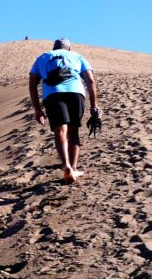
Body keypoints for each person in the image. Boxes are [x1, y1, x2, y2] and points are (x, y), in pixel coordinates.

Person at [29, 38, 100, 183]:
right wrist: (94, 105)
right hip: (75, 94)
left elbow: (32, 84)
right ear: (68, 48)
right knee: (73, 132)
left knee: (60, 131)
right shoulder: (77, 56)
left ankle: (66, 165)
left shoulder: (42, 57)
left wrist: (37, 109)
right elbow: (90, 81)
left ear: (54, 48)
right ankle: (73, 168)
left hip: (53, 95)